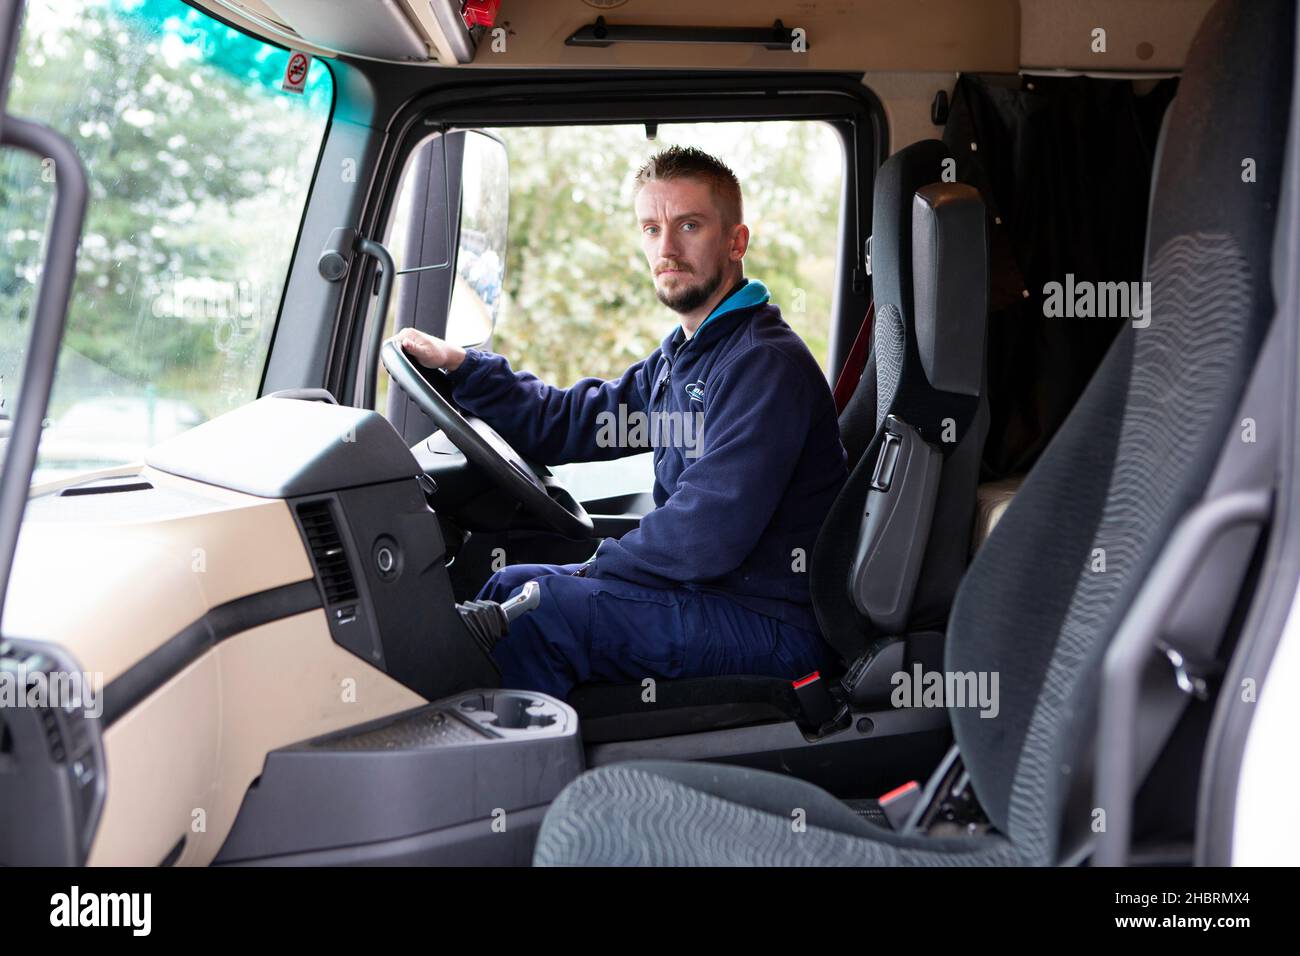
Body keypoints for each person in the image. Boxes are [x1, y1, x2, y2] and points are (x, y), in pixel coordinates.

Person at [398, 145, 848, 700]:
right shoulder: (684, 357)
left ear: (736, 242)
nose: (667, 247)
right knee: (511, 586)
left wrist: (589, 571)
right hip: (712, 595)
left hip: (770, 621)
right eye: (651, 228)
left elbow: (703, 535)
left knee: (536, 613)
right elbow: (571, 421)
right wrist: (465, 369)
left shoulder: (762, 364)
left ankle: (524, 775)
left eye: (689, 225)